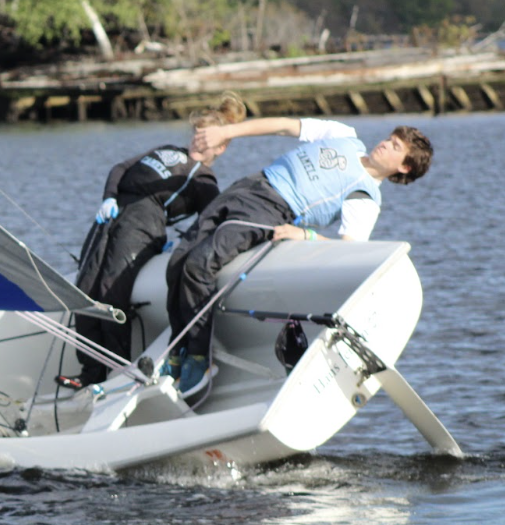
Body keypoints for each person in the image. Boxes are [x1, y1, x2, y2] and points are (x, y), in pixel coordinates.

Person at [163, 116, 434, 398]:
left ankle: (198, 359)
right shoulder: (345, 136)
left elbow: (350, 248)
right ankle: (175, 353)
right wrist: (226, 131)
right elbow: (284, 125)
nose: (384, 144)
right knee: (177, 262)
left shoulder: (364, 196)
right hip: (252, 184)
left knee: (199, 266)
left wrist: (307, 236)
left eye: (395, 147)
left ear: (404, 167)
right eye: (389, 139)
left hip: (269, 210)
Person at [56, 93, 247, 390]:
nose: (198, 141)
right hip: (112, 214)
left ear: (221, 146)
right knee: (84, 289)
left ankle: (117, 373)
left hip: (143, 224)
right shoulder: (168, 150)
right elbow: (120, 168)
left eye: (205, 138)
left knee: (110, 293)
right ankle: (91, 371)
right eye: (197, 134)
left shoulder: (204, 181)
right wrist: (108, 197)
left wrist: (184, 245)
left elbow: (209, 220)